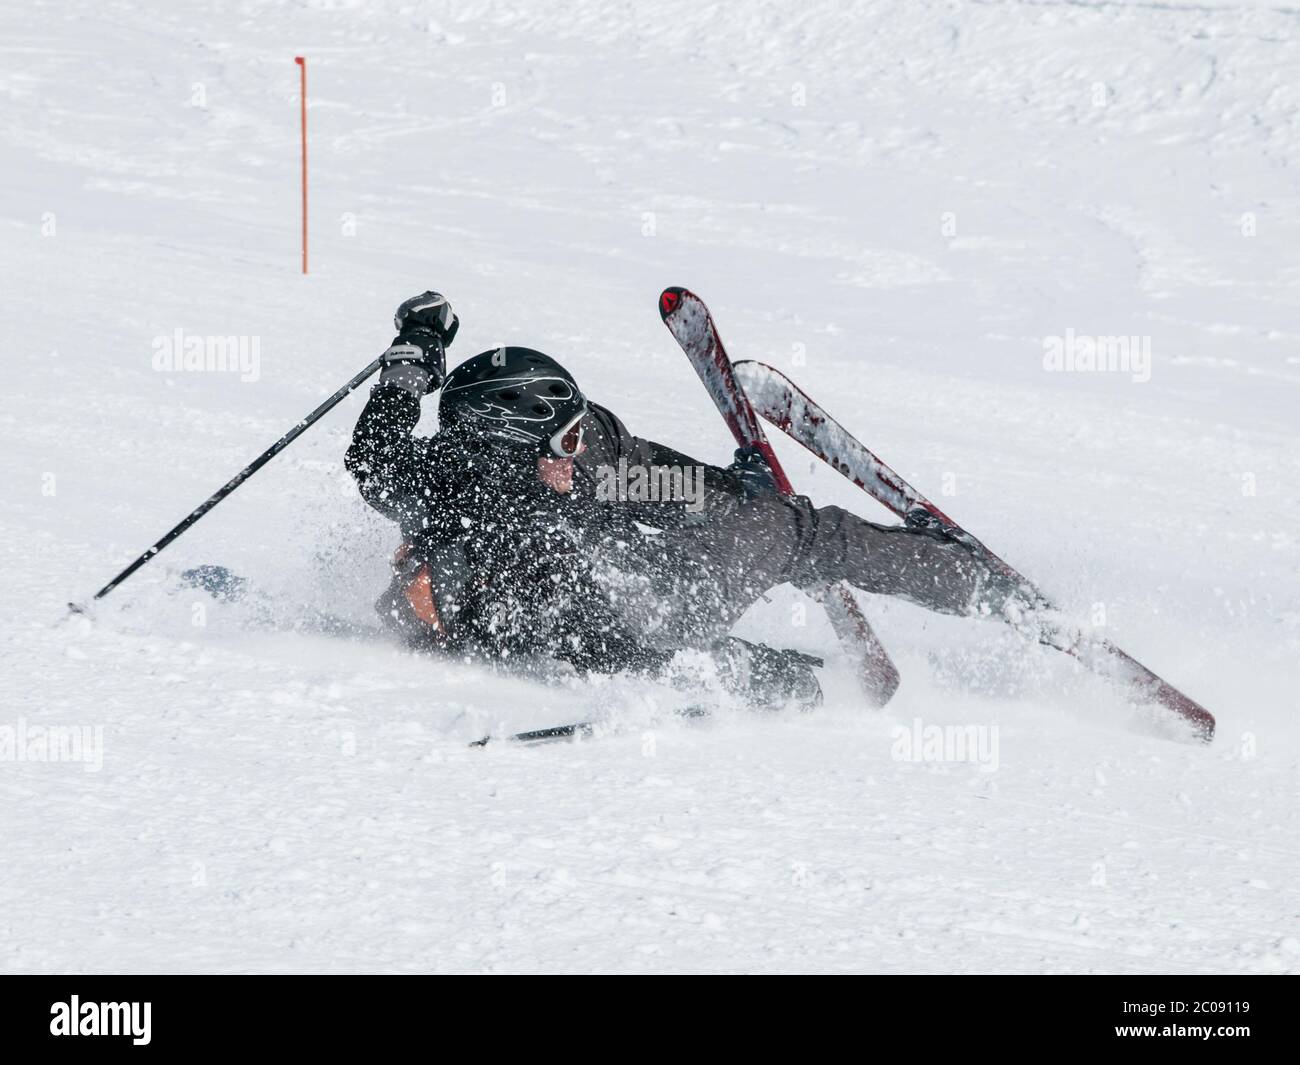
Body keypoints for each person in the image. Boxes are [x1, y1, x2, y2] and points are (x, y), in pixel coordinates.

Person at [345, 291, 1030, 708]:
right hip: (650, 634)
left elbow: (652, 478)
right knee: (791, 538)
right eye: (565, 438)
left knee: (776, 532)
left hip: (656, 611)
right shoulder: (459, 488)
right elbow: (374, 458)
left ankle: (933, 592)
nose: (578, 448)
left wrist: (418, 346)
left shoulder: (594, 464)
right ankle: (972, 587)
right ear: (505, 444)